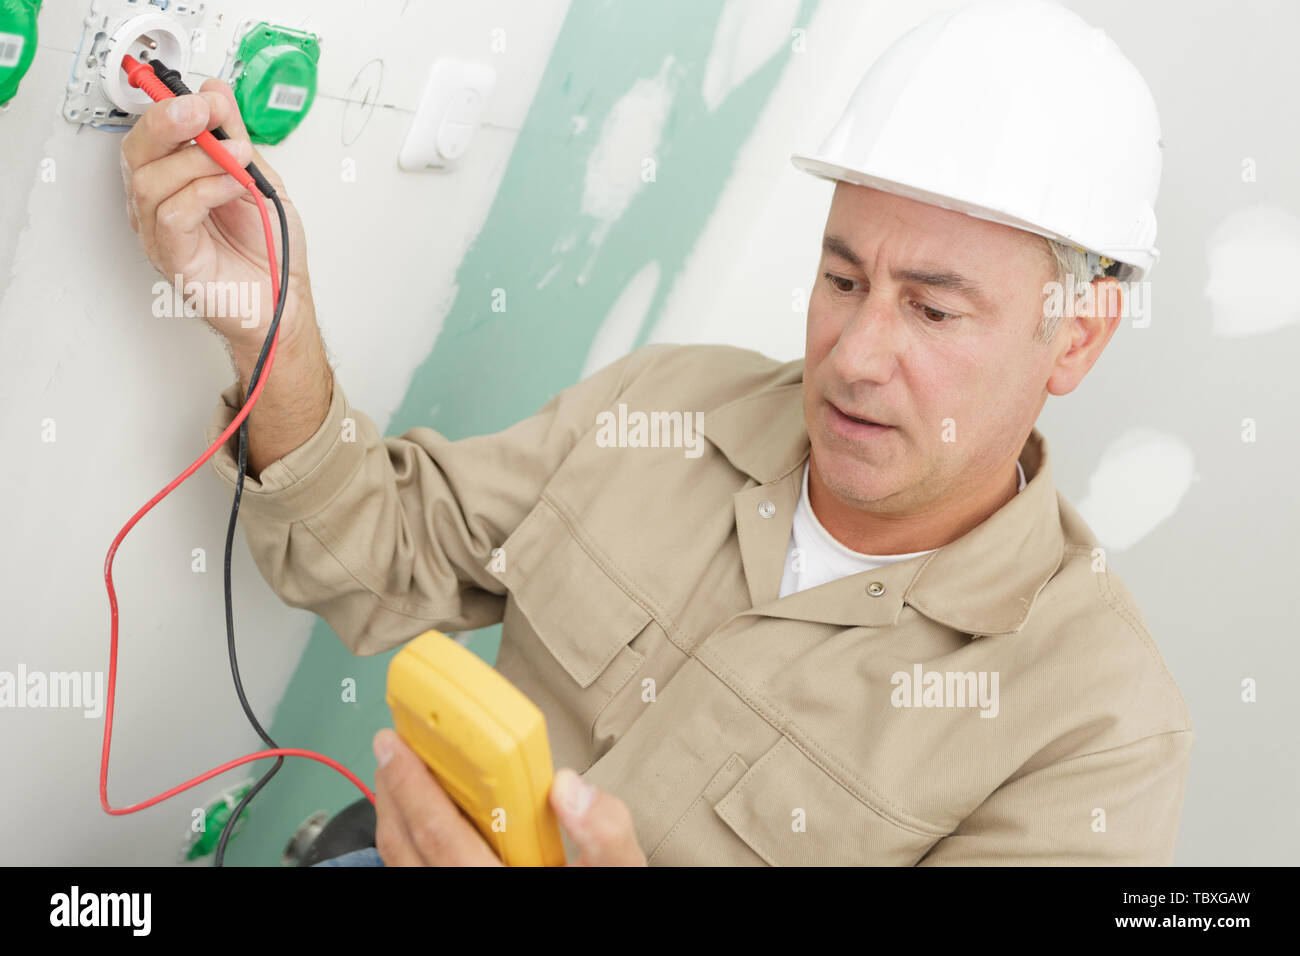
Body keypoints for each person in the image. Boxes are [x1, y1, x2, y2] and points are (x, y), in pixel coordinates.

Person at [120, 0, 1192, 866]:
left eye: (932, 307)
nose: (856, 353)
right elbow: (377, 551)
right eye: (842, 276)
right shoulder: (674, 405)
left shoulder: (1093, 728)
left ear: (1074, 339)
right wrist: (278, 335)